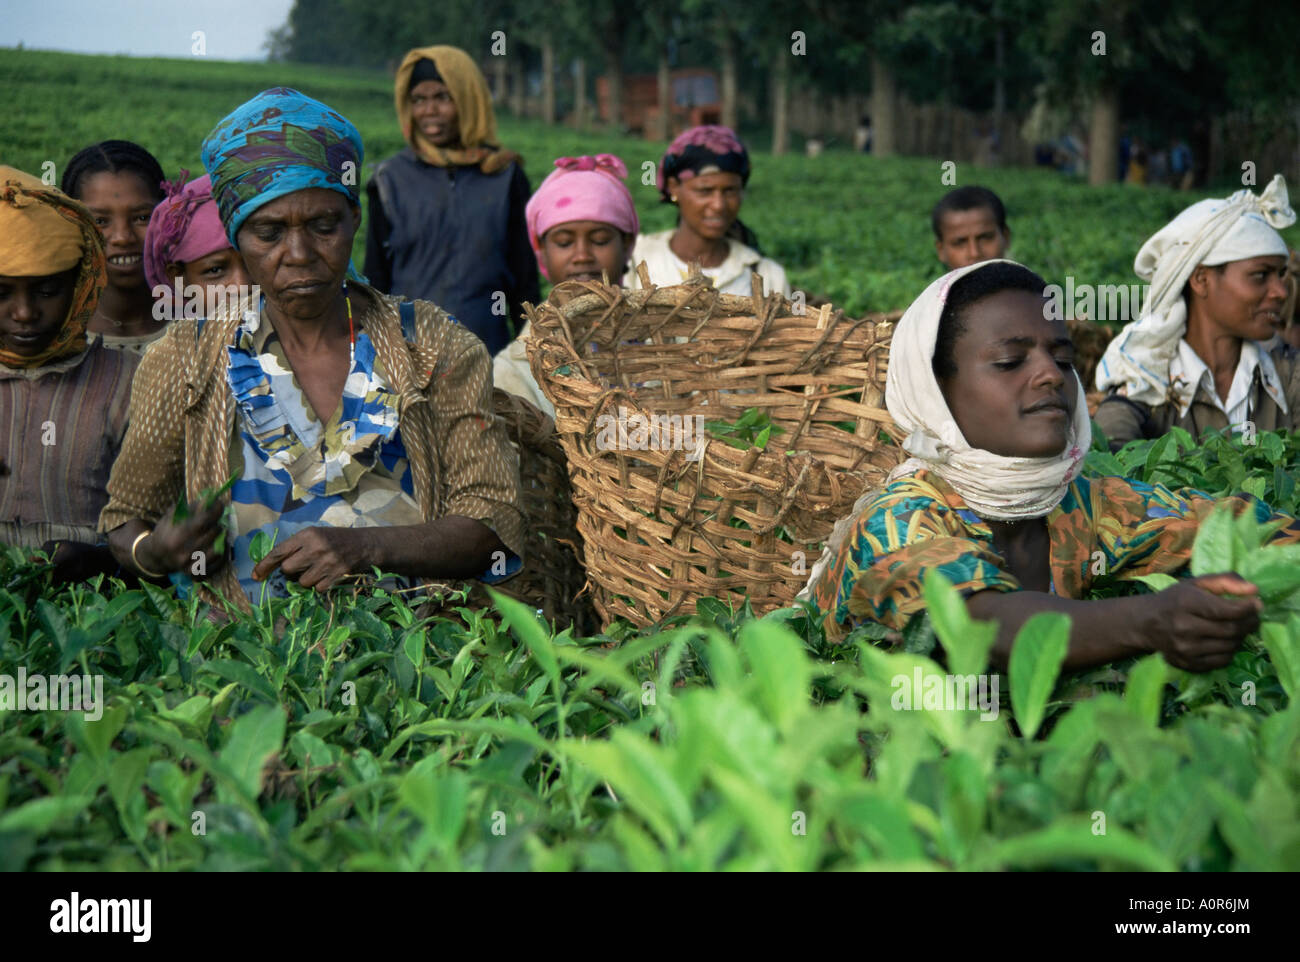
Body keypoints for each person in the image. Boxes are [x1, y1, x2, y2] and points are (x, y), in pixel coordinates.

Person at [98, 88, 526, 612]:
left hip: (421, 670)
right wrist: (156, 549)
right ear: (237, 240)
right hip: (249, 668)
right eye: (269, 233)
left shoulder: (431, 344)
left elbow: (494, 524)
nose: (298, 255)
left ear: (353, 221)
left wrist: (369, 547)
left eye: (323, 226)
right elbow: (124, 519)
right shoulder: (187, 357)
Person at [804, 259, 1300, 674]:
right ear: (938, 390)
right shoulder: (898, 518)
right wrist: (1152, 619)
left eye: (1061, 359)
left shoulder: (1083, 504)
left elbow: (1234, 527)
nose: (1049, 375)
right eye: (1009, 361)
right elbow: (979, 625)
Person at [0, 166, 138, 584]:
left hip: (97, 612)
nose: (24, 314)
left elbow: (160, 531)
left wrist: (104, 561)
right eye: (2, 293)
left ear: (82, 284)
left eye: (47, 291)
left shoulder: (131, 382)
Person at [1094, 175, 1297, 449]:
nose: (1280, 292)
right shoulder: (1144, 380)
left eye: (1280, 274)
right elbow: (1111, 452)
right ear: (1202, 279)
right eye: (1260, 275)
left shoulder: (1289, 376)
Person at [365, 45, 539, 358]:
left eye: (443, 97)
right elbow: (376, 283)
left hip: (488, 359)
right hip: (410, 365)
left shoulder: (505, 177)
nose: (429, 110)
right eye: (419, 99)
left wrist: (535, 357)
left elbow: (523, 283)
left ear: (468, 99)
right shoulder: (388, 181)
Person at [493, 154, 640, 418]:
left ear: (627, 244)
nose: (582, 255)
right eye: (564, 242)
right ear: (541, 253)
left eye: (600, 240)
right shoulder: (513, 368)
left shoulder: (673, 342)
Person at [627, 125, 791, 298]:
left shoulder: (767, 275)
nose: (719, 205)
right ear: (674, 187)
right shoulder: (635, 259)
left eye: (730, 190)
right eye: (705, 191)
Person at [61, 140, 169, 356]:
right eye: (100, 221)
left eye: (141, 217)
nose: (122, 237)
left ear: (167, 215)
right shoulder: (51, 331)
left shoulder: (197, 320)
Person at [144, 172, 251, 316]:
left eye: (252, 262)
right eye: (215, 270)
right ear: (179, 280)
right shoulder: (178, 338)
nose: (242, 286)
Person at [931, 186, 1011, 272]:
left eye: (985, 238)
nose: (974, 253)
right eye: (959, 242)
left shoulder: (1026, 284)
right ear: (941, 250)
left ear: (1005, 237)